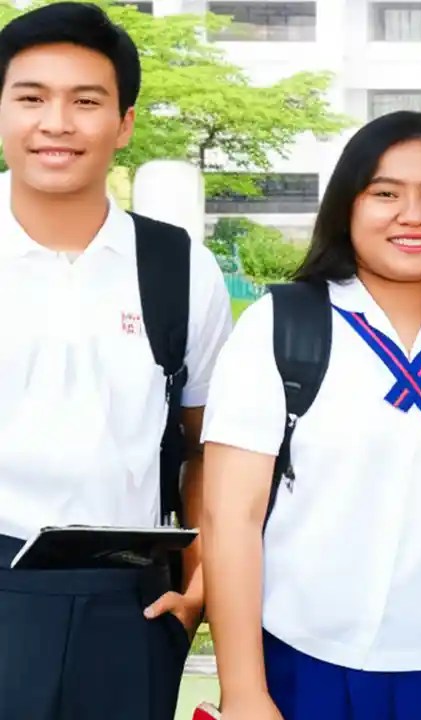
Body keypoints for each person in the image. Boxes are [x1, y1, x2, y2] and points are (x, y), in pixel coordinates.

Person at [200, 111, 421, 720]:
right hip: (300, 658)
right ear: (347, 206)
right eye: (386, 193)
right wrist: (244, 692)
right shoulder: (282, 326)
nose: (414, 215)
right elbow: (229, 518)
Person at [0, 3, 232, 718]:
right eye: (31, 97)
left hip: (128, 601)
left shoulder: (179, 268)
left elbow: (206, 448)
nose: (57, 123)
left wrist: (199, 582)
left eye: (85, 101)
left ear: (124, 122)